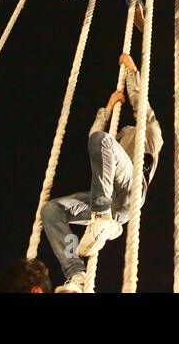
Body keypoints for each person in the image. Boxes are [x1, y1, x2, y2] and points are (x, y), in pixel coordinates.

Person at [41, 54, 162, 294]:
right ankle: (77, 274)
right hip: (106, 201)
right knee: (51, 209)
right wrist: (107, 109)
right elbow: (94, 138)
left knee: (102, 140)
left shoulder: (149, 133)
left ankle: (102, 217)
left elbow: (140, 102)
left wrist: (131, 71)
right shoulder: (115, 141)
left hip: (131, 191)